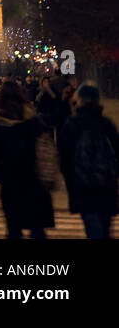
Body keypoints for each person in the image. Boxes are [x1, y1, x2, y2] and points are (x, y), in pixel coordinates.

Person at [0, 81, 54, 239]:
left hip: (9, 181)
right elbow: (45, 149)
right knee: (37, 228)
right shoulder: (33, 121)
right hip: (33, 179)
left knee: (13, 228)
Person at [57, 83, 119, 239]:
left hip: (83, 186)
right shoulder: (106, 124)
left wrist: (70, 184)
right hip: (106, 185)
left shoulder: (72, 124)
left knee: (93, 229)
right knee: (105, 229)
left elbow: (64, 159)